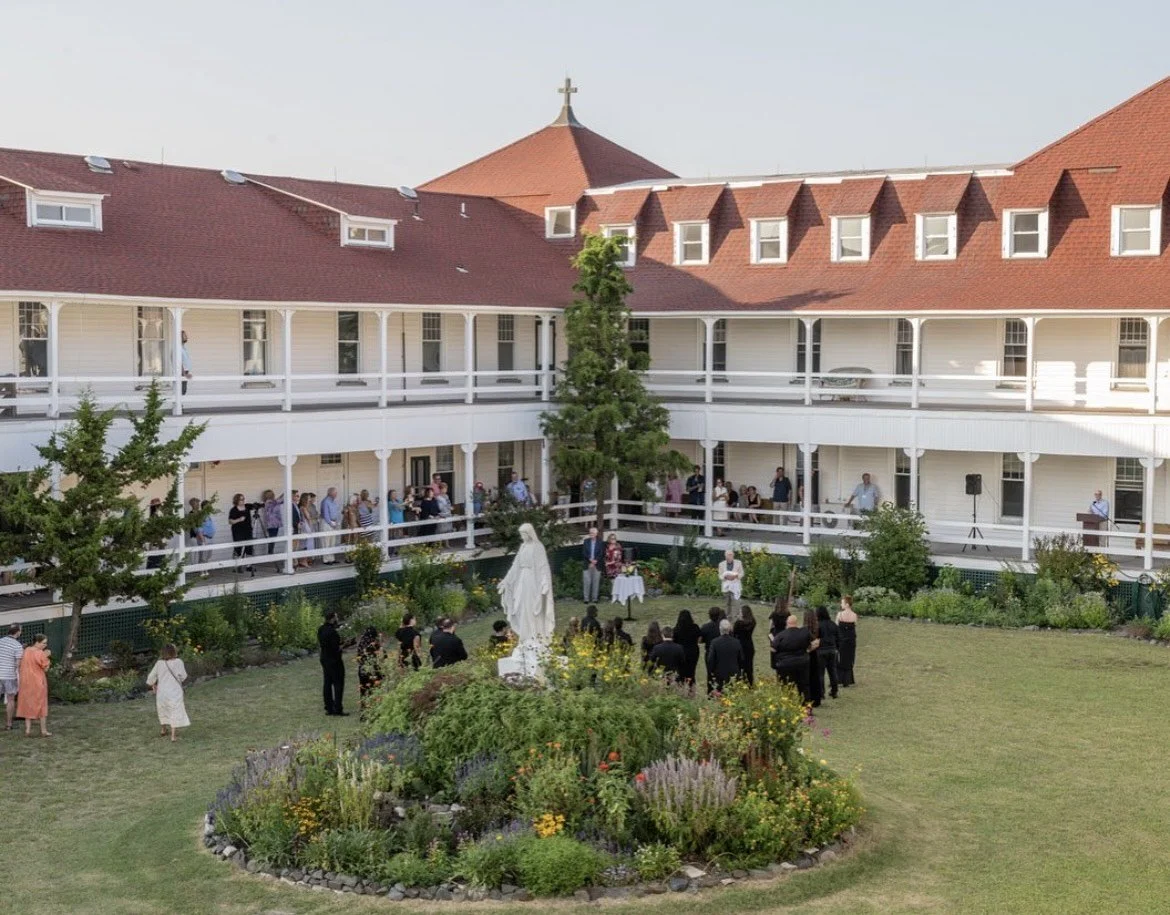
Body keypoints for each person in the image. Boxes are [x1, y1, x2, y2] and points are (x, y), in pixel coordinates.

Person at [146, 643, 189, 741]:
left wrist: (153, 685)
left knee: (163, 709)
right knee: (175, 710)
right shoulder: (179, 662)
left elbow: (151, 677)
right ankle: (173, 736)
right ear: (174, 652)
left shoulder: (159, 663)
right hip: (174, 691)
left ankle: (163, 729)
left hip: (162, 692)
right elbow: (183, 676)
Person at [772, 614, 815, 702]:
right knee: (804, 685)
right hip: (802, 662)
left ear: (787, 623)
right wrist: (808, 651)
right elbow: (815, 642)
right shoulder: (804, 632)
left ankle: (787, 704)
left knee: (786, 686)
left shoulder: (781, 635)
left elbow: (773, 648)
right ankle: (806, 706)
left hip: (785, 663)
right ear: (796, 623)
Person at [16, 633, 51, 737]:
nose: (45, 645)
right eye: (44, 643)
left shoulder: (26, 651)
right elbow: (45, 668)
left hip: (26, 683)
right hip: (38, 682)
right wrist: (47, 656)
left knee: (28, 705)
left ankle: (28, 730)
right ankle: (43, 731)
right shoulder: (40, 653)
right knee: (42, 705)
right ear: (37, 642)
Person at [317, 611, 346, 716]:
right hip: (334, 660)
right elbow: (335, 648)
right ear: (333, 618)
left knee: (327, 682)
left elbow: (324, 644)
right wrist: (344, 645)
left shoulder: (321, 629)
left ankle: (329, 707)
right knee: (338, 683)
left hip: (324, 658)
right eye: (336, 617)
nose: (337, 619)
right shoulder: (332, 632)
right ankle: (338, 708)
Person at [708, 619, 745, 692]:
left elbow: (711, 659)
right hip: (733, 673)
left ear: (720, 629)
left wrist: (711, 671)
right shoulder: (736, 642)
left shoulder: (714, 642)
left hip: (719, 673)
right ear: (729, 629)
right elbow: (741, 659)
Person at [0, 623, 24, 731]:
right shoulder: (17, 646)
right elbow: (17, 664)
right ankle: (9, 725)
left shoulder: (0, 641)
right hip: (9, 676)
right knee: (10, 699)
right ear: (18, 632)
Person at [228, 493, 260, 573]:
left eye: (243, 499)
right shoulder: (234, 510)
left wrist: (257, 505)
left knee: (249, 547)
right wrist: (239, 520)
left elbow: (254, 506)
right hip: (238, 531)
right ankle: (237, 566)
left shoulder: (247, 506)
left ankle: (248, 565)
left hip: (248, 530)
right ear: (237, 501)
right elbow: (230, 521)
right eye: (241, 499)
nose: (243, 501)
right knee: (238, 548)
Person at [815, 606, 840, 700]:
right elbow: (838, 637)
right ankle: (834, 691)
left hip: (821, 650)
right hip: (832, 650)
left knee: (820, 673)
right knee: (833, 671)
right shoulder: (833, 624)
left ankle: (821, 693)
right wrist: (837, 648)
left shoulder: (818, 625)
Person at [355, 627, 386, 701]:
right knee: (374, 690)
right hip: (372, 670)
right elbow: (383, 656)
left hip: (362, 670)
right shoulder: (374, 643)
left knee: (363, 691)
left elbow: (358, 658)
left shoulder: (361, 643)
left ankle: (363, 707)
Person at [699, 606, 725, 694]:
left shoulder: (705, 627)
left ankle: (710, 691)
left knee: (710, 673)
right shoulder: (722, 627)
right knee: (721, 671)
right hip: (722, 652)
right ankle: (721, 689)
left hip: (709, 652)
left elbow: (700, 640)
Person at [673, 609, 701, 688]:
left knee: (680, 672)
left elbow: (674, 641)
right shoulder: (695, 627)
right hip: (693, 652)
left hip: (680, 652)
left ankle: (680, 689)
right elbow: (699, 640)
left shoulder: (676, 629)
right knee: (691, 672)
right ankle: (691, 690)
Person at [836, 595, 858, 687]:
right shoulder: (854, 615)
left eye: (842, 603)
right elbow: (854, 626)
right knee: (849, 658)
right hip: (851, 641)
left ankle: (840, 678)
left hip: (841, 640)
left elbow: (836, 626)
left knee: (840, 658)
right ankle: (847, 680)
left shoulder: (839, 615)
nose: (841, 604)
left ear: (847, 604)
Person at [804, 606, 823, 707]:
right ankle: (817, 698)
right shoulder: (818, 628)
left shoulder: (804, 630)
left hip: (807, 655)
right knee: (816, 676)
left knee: (808, 677)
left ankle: (809, 698)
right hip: (816, 654)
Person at [733, 605, 757, 685]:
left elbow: (734, 634)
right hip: (749, 645)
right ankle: (750, 683)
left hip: (740, 645)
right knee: (749, 666)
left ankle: (740, 682)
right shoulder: (752, 622)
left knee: (740, 666)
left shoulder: (738, 623)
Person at [319, 487, 341, 564]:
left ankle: (332, 558)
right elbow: (325, 514)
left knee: (332, 542)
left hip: (333, 523)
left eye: (336, 493)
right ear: (330, 493)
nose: (336, 494)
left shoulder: (333, 501)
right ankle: (326, 559)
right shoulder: (325, 501)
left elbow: (336, 512)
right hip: (326, 523)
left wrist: (336, 522)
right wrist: (331, 523)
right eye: (335, 493)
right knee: (326, 542)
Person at [582, 527, 603, 602]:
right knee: (587, 582)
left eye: (593, 533)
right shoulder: (586, 541)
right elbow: (584, 553)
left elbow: (601, 553)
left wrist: (595, 561)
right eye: (590, 533)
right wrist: (590, 560)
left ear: (596, 534)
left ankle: (595, 599)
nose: (591, 534)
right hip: (587, 564)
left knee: (596, 582)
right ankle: (586, 599)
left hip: (597, 565)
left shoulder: (600, 542)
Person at [262, 490, 283, 558]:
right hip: (271, 524)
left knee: (273, 538)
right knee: (272, 538)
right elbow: (277, 501)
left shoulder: (273, 502)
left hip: (275, 523)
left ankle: (271, 552)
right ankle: (270, 553)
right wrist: (283, 494)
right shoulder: (268, 502)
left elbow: (281, 501)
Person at [180, 329, 192, 396]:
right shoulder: (178, 348)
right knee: (181, 391)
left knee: (183, 391)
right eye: (184, 335)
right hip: (181, 373)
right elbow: (179, 363)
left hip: (185, 372)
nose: (187, 337)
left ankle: (180, 406)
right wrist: (184, 374)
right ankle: (179, 406)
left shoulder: (183, 347)